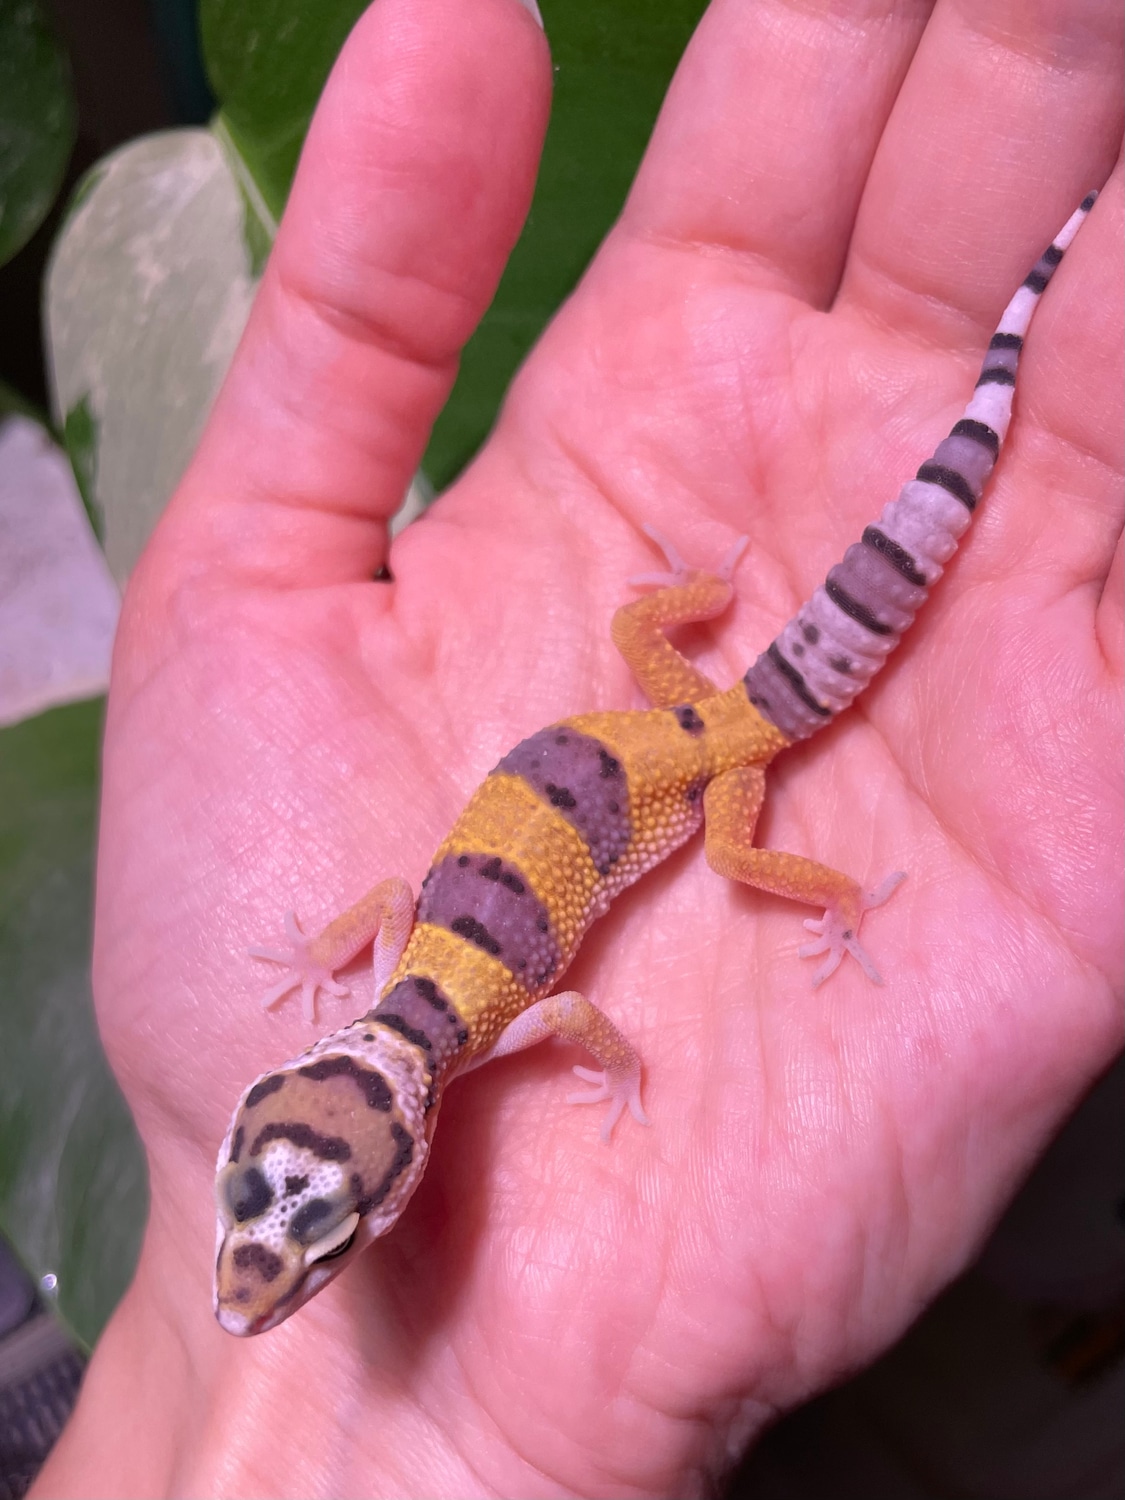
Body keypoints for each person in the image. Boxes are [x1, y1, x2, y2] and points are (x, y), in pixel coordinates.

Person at [33, 0, 1122, 1493]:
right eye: (295, 1229)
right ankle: (990, 361)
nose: (271, 1266)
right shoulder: (414, 979)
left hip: (713, 755)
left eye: (290, 1222)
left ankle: (838, 879)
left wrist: (633, 1050)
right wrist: (336, 953)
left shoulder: (486, 1027)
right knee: (646, 624)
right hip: (654, 715)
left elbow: (577, 1021)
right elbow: (403, 915)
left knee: (740, 867)